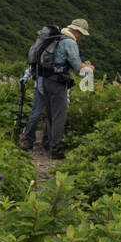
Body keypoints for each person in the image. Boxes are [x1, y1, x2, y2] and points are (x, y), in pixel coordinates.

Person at [26, 18, 87, 155]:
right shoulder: (70, 43)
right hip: (58, 82)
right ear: (77, 32)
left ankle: (47, 142)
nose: (81, 38)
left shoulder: (55, 38)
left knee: (50, 113)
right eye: (81, 35)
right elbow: (78, 67)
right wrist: (89, 68)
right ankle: (56, 148)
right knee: (59, 114)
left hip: (45, 80)